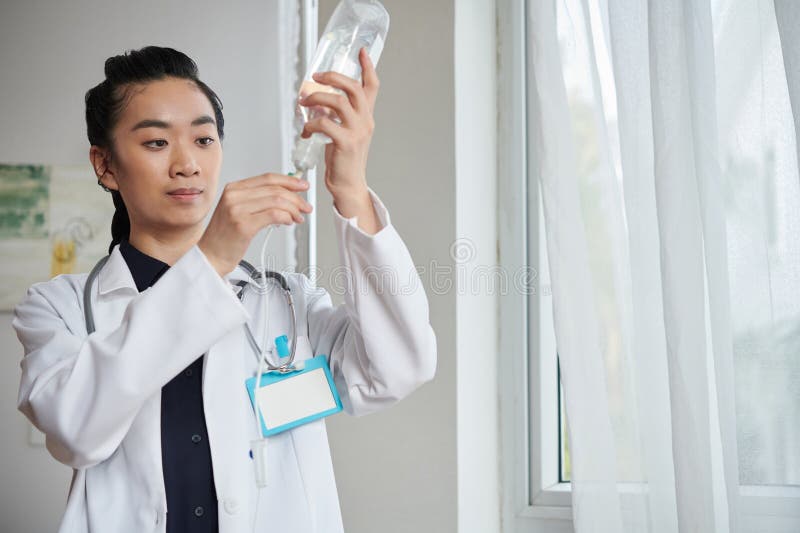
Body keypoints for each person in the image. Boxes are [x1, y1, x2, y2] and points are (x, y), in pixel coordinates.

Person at [12, 46, 436, 533]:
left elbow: (400, 367)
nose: (187, 164)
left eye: (204, 139)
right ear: (105, 165)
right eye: (156, 143)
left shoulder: (286, 303)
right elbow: (76, 433)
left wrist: (351, 190)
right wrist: (211, 258)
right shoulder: (56, 308)